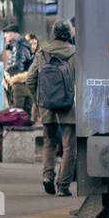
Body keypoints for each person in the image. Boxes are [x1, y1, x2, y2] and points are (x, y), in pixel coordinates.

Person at [26, 20, 77, 197]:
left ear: (53, 33)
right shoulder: (75, 53)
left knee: (49, 142)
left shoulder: (42, 53)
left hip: (47, 105)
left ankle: (48, 176)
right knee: (69, 145)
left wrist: (39, 100)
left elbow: (30, 80)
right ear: (69, 34)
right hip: (69, 106)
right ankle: (63, 186)